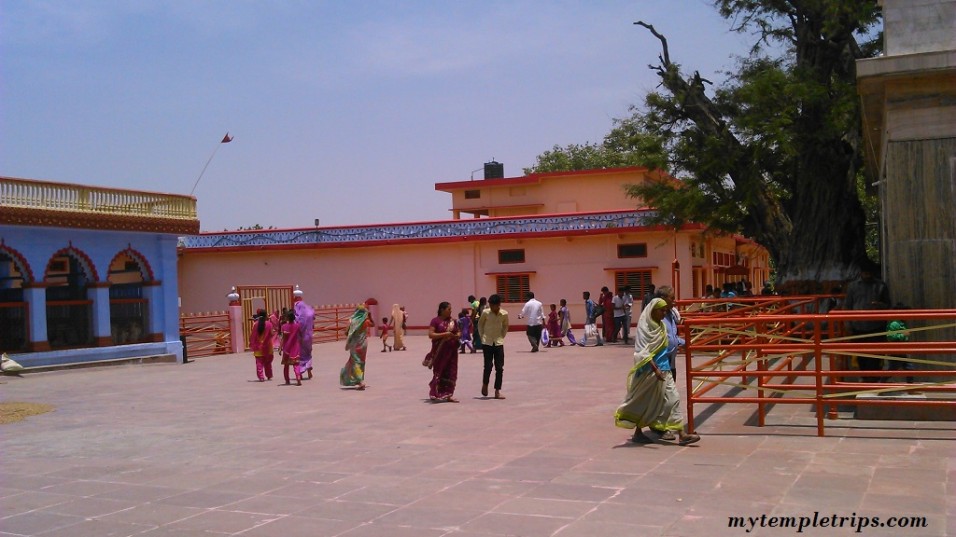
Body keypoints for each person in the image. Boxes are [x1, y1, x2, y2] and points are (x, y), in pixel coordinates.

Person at [614, 298, 700, 446]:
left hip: (665, 369)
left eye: (666, 310)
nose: (664, 313)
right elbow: (642, 352)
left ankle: (682, 433)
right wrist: (655, 369)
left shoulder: (661, 327)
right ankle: (638, 432)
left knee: (674, 399)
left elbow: (670, 341)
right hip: (649, 372)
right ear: (653, 311)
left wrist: (683, 344)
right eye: (662, 310)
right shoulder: (644, 329)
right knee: (645, 402)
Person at [842, 262, 891, 383]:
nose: (867, 275)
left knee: (875, 355)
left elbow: (888, 305)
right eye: (865, 272)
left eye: (869, 272)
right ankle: (864, 377)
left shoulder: (881, 286)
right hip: (858, 326)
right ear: (861, 273)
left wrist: (880, 306)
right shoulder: (853, 287)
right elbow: (847, 305)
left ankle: (874, 378)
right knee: (860, 355)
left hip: (876, 326)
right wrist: (847, 323)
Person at [651, 285, 684, 440]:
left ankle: (669, 427)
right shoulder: (656, 316)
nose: (674, 301)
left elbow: (672, 337)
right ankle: (663, 428)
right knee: (664, 397)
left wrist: (684, 342)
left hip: (670, 362)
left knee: (669, 397)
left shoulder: (670, 315)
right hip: (658, 364)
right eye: (672, 298)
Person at [427, 301, 460, 402]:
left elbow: (458, 331)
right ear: (442, 310)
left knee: (451, 372)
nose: (451, 311)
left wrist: (458, 335)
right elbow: (431, 334)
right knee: (439, 371)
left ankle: (448, 394)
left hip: (452, 351)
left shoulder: (453, 321)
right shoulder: (435, 321)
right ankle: (435, 393)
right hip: (440, 351)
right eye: (448, 309)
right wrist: (445, 335)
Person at [478, 294, 509, 399]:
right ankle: (485, 384)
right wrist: (482, 336)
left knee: (499, 368)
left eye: (493, 305)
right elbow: (480, 324)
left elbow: (505, 325)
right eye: (490, 305)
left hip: (498, 342)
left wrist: (502, 335)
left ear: (498, 305)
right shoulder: (485, 313)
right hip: (487, 342)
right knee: (488, 366)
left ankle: (497, 391)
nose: (491, 307)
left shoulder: (504, 314)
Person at [340, 304, 373, 389]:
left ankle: (359, 381)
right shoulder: (366, 321)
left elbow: (346, 332)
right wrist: (370, 316)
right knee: (361, 361)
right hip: (363, 344)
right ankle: (358, 379)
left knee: (355, 361)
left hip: (355, 344)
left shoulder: (351, 321)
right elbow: (373, 324)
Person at [886, 303, 915, 384]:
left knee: (909, 368)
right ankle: (882, 382)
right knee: (893, 368)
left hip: (902, 349)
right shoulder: (895, 324)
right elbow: (891, 336)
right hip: (896, 350)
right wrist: (903, 335)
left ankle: (910, 385)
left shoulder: (901, 323)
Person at [248, 309, 274, 381]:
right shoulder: (269, 324)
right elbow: (272, 334)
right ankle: (269, 375)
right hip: (268, 347)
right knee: (268, 363)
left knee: (259, 363)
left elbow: (252, 335)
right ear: (266, 315)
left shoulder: (256, 324)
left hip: (258, 347)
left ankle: (261, 377)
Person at [280, 311, 302, 386]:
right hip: (295, 347)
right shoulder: (297, 325)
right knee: (296, 364)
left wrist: (280, 348)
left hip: (287, 348)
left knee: (286, 365)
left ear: (288, 318)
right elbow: (301, 335)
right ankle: (298, 377)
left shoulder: (284, 326)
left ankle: (287, 380)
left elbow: (283, 338)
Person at [295, 300, 315, 379]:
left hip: (301, 337)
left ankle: (300, 372)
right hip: (309, 336)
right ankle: (309, 371)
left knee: (300, 355)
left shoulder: (299, 315)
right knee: (308, 353)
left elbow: (298, 324)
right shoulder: (309, 313)